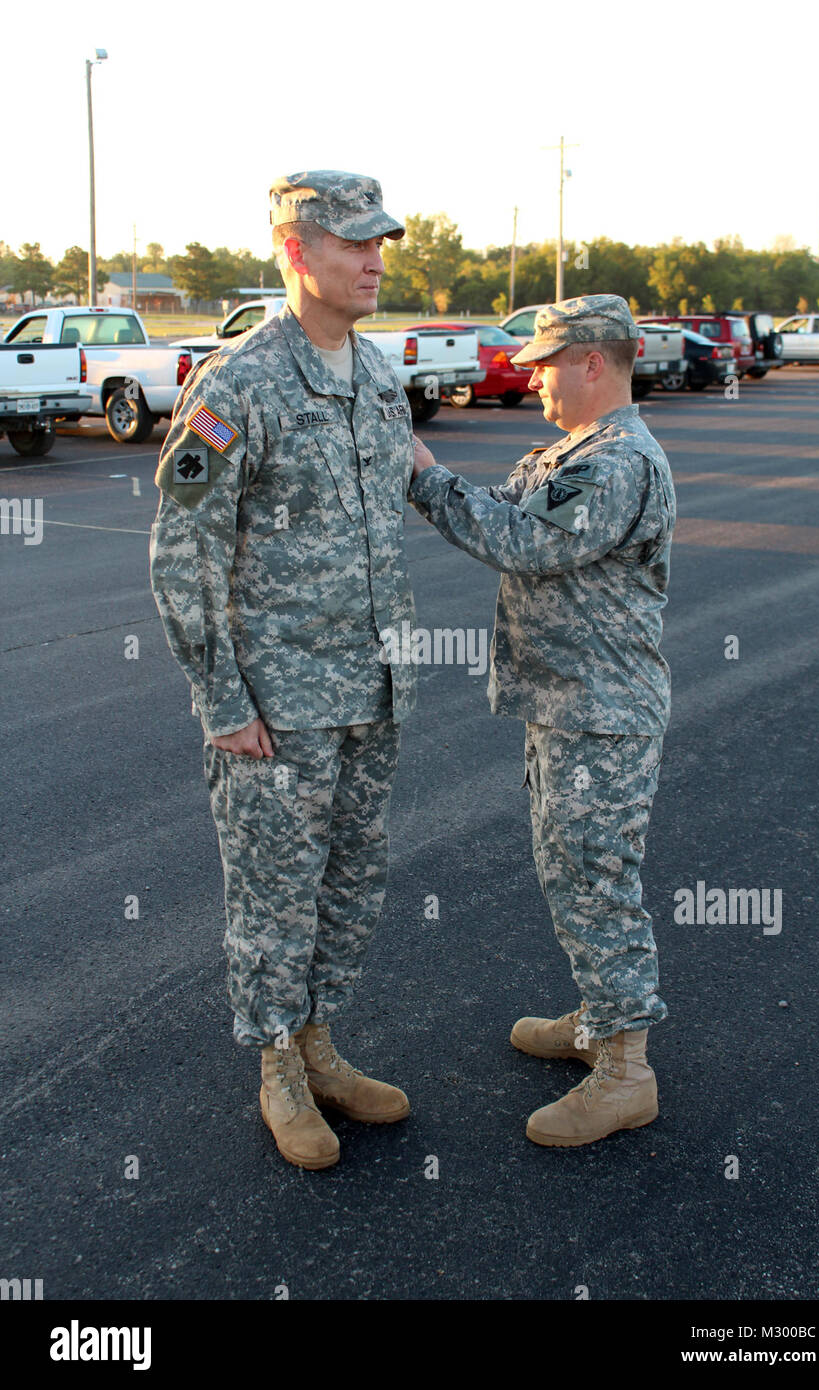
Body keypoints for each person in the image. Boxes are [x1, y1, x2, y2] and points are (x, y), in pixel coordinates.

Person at [149, 170, 418, 1170]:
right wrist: (221, 700)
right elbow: (182, 553)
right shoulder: (238, 383)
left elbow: (402, 503)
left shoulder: (377, 374)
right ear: (295, 251)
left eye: (380, 241)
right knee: (273, 894)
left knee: (350, 883)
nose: (374, 260)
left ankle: (320, 1045)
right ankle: (275, 1070)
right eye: (353, 243)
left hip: (371, 692)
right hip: (277, 707)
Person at [409, 294, 676, 1148]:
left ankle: (627, 1071)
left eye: (544, 363)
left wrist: (421, 474)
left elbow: (522, 541)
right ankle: (602, 1022)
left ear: (593, 362)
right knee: (569, 871)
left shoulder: (617, 462)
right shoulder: (581, 451)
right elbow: (515, 509)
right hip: (569, 709)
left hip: (601, 716)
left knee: (597, 881)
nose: (530, 378)